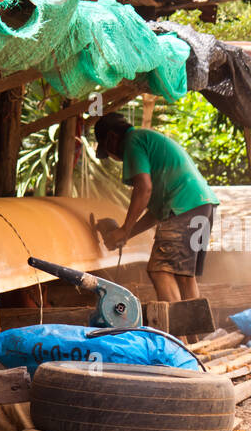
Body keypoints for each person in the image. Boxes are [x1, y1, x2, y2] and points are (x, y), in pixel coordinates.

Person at [92, 112, 219, 303]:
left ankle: (177, 332)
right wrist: (127, 234)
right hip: (201, 204)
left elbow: (144, 188)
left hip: (183, 206)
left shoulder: (132, 141)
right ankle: (193, 333)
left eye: (107, 151)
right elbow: (156, 214)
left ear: (111, 138)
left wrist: (125, 229)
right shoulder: (147, 140)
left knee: (160, 269)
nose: (111, 157)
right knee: (185, 276)